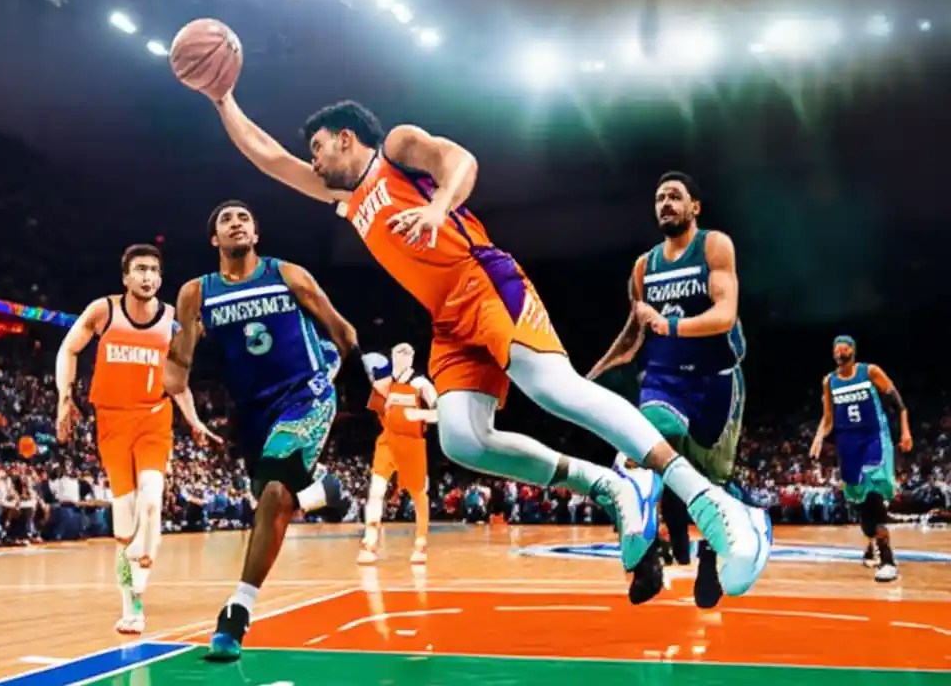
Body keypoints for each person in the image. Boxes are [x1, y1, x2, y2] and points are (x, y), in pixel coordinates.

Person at [199, 89, 773, 600]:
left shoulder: (394, 149)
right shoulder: (343, 195)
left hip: (483, 281)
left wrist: (437, 207)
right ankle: (611, 486)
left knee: (555, 390)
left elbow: (460, 161)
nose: (315, 161)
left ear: (346, 138)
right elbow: (270, 159)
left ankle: (716, 506)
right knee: (463, 440)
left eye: (319, 147)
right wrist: (223, 99)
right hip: (448, 320)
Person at [166, 200, 354, 662]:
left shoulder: (287, 274)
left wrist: (338, 374)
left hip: (304, 394)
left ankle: (237, 612)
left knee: (275, 486)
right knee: (272, 501)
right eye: (226, 220)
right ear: (214, 239)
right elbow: (179, 364)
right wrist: (180, 402)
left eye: (244, 218)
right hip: (252, 412)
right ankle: (324, 491)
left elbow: (343, 332)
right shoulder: (196, 293)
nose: (236, 223)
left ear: (256, 234)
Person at [587, 172, 747, 607]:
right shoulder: (644, 266)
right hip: (664, 379)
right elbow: (633, 334)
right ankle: (646, 559)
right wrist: (586, 382)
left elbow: (725, 315)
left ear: (695, 206)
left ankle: (711, 557)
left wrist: (670, 324)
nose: (666, 203)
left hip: (715, 377)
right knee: (638, 453)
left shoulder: (714, 246)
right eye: (659, 198)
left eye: (675, 196)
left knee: (714, 481)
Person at [55, 243, 218, 635]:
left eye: (154, 270)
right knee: (125, 520)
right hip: (111, 422)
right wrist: (64, 399)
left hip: (153, 418)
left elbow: (178, 384)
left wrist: (194, 421)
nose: (148, 277)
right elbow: (68, 349)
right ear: (125, 276)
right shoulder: (103, 311)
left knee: (151, 496)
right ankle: (132, 603)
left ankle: (145, 555)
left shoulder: (172, 321)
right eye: (140, 269)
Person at [810, 336, 913, 583]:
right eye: (836, 348)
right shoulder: (829, 381)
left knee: (874, 494)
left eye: (844, 347)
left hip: (873, 438)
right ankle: (872, 542)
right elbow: (828, 418)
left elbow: (899, 404)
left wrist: (905, 431)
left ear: (853, 350)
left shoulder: (870, 372)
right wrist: (818, 438)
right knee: (861, 502)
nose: (840, 351)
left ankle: (888, 559)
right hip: (848, 444)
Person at [358, 343, 437, 565]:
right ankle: (369, 543)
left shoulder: (421, 384)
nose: (402, 356)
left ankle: (421, 544)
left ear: (412, 357)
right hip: (387, 441)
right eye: (398, 353)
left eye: (406, 353)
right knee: (376, 491)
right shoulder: (384, 385)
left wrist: (416, 413)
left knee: (418, 495)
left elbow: (441, 413)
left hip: (411, 443)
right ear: (391, 357)